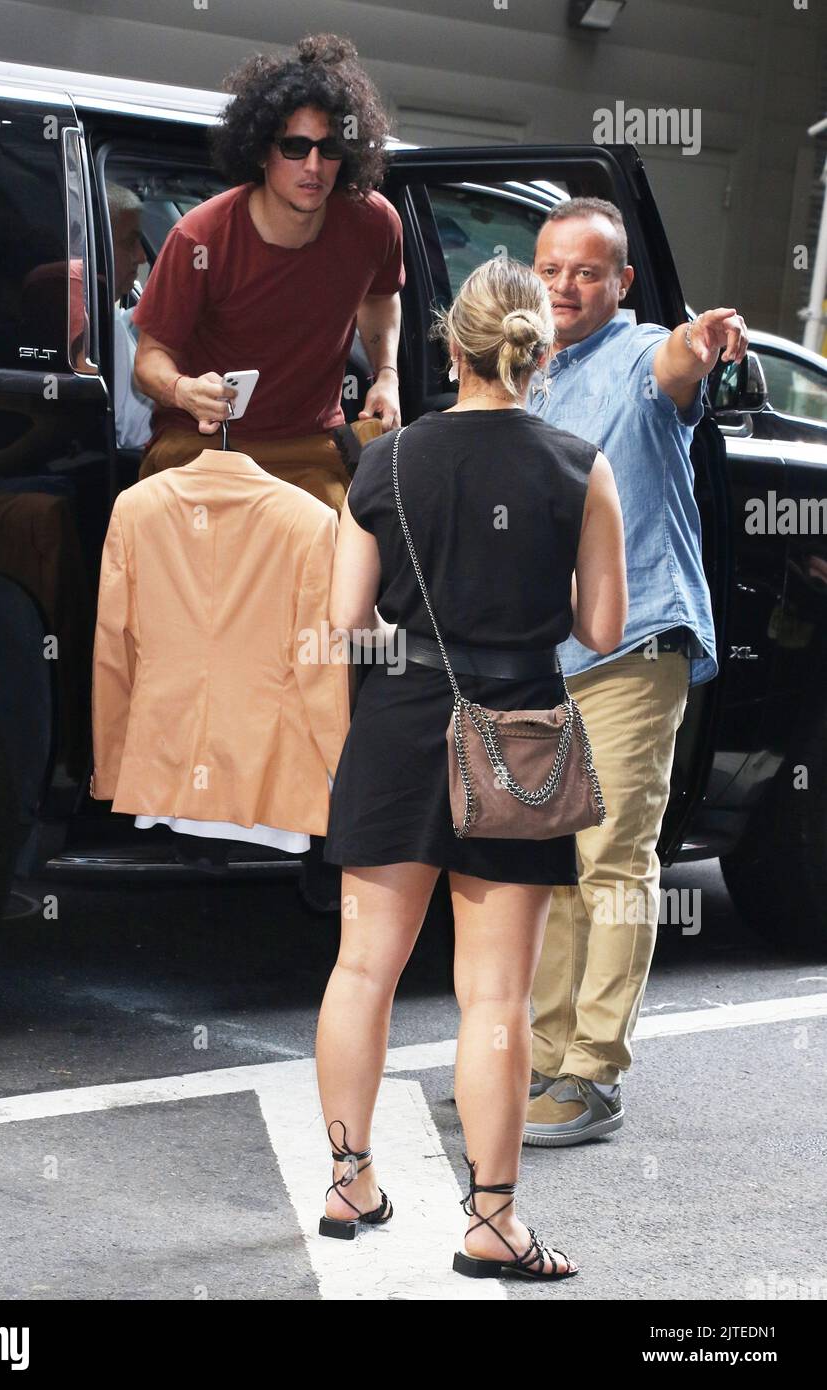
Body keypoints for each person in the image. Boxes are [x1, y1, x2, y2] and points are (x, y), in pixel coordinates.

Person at [315, 256, 627, 1278]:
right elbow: (602, 626)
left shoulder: (385, 462)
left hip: (403, 724)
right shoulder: (580, 464)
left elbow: (341, 623)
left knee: (364, 966)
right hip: (522, 731)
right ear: (542, 353)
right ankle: (492, 1223)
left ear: (450, 348)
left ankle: (347, 1180)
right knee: (494, 997)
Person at [523, 197, 748, 1145]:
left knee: (612, 860)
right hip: (543, 651)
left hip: (629, 645)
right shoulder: (526, 373)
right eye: (550, 269)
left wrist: (703, 342)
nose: (566, 287)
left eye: (587, 272)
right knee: (553, 868)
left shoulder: (640, 352)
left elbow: (678, 365)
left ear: (620, 282)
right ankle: (540, 1061)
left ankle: (594, 1074)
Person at [130, 32, 404, 513]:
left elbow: (380, 295)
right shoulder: (201, 239)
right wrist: (185, 392)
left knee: (339, 565)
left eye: (330, 148)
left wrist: (386, 375)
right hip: (203, 449)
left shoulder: (373, 223)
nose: (314, 166)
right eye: (295, 147)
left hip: (310, 452)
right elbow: (148, 363)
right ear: (260, 150)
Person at [105, 182, 154, 451]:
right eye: (129, 242)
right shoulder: (104, 327)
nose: (142, 257)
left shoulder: (112, 320)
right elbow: (139, 436)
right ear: (98, 244)